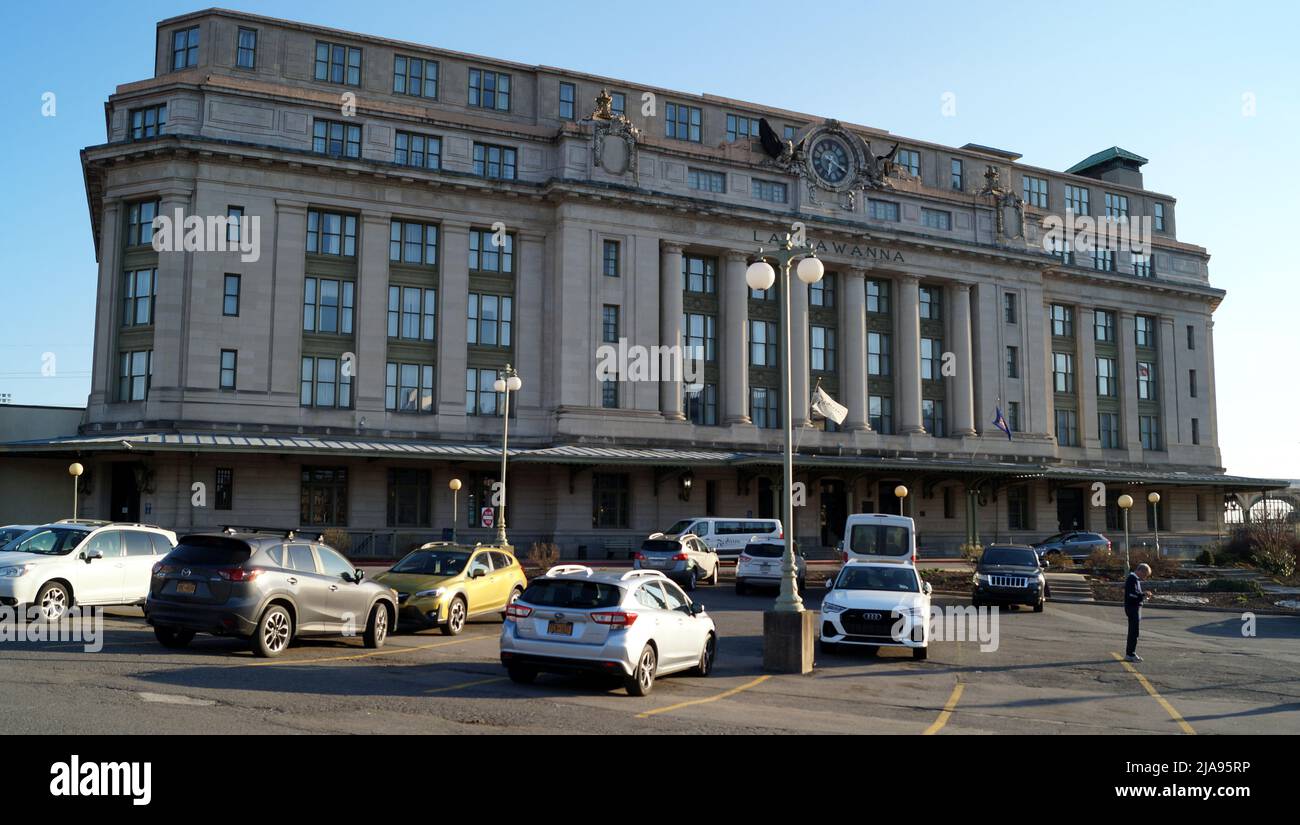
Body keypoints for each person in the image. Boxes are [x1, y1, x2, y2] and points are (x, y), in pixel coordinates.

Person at [1124, 563, 1152, 662]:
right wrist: (1143, 595)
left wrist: (1142, 595)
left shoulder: (1134, 579)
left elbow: (1134, 593)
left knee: (1134, 632)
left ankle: (1130, 653)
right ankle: (1130, 654)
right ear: (1141, 571)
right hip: (1132, 608)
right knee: (1133, 632)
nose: (1145, 578)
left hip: (1134, 608)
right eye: (1145, 575)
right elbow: (1132, 594)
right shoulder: (1132, 579)